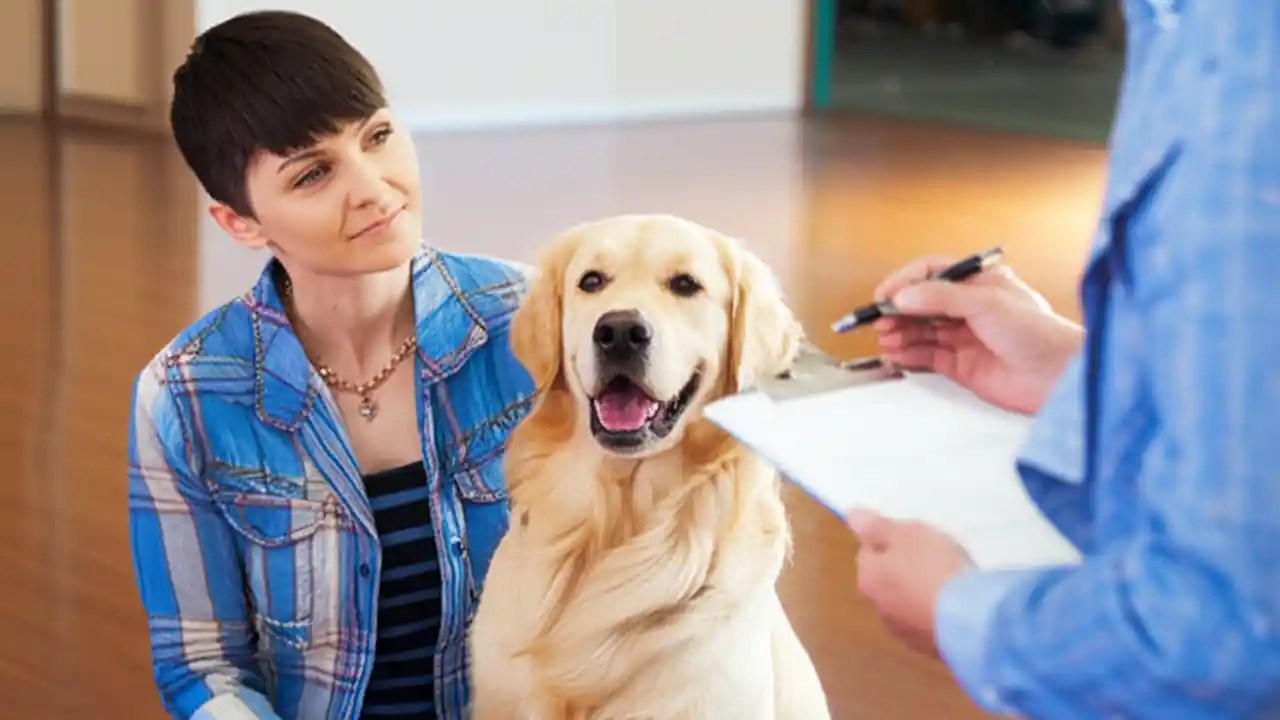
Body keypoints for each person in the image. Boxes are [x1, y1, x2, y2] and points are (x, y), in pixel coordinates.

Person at [847, 1, 1280, 717]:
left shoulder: (1240, 83)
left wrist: (959, 614)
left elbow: (1219, 630)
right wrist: (1087, 377)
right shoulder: (1186, 33)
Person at [126, 11, 534, 720]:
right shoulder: (187, 394)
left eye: (377, 136)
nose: (373, 187)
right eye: (313, 173)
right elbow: (202, 665)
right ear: (240, 222)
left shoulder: (535, 321)